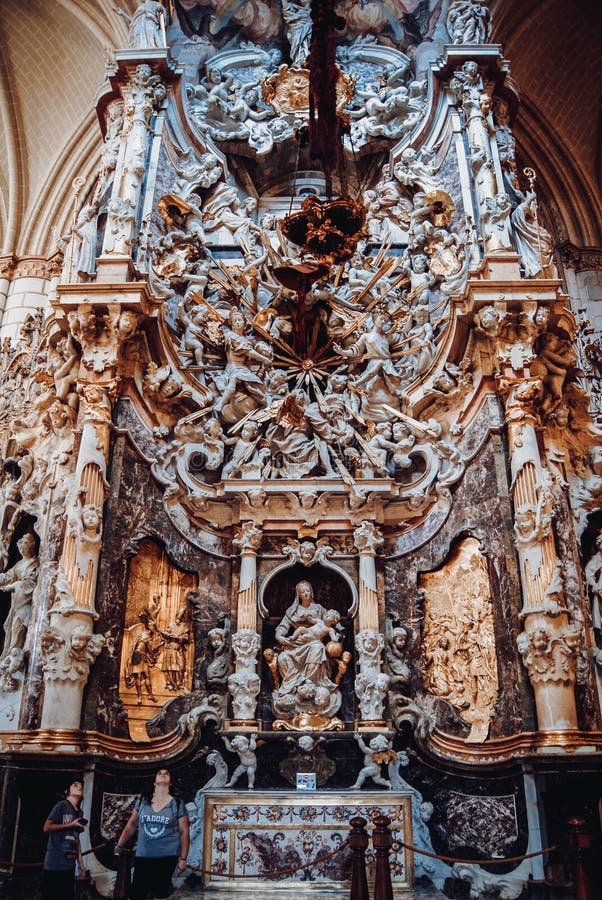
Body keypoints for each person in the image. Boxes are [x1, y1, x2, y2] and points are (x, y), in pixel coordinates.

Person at [115, 769, 189, 900]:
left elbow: (184, 832)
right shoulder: (143, 801)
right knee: (137, 894)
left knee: (160, 894)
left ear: (170, 783)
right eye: (160, 773)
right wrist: (119, 845)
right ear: (154, 782)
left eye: (166, 773)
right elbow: (131, 824)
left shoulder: (177, 804)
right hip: (144, 855)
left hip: (167, 856)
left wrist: (183, 858)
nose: (163, 774)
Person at [42, 780, 86, 900]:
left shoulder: (79, 813)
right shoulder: (61, 805)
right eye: (75, 785)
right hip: (54, 864)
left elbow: (77, 840)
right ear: (68, 791)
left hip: (69, 865)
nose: (79, 787)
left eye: (81, 786)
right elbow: (46, 827)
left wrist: (81, 864)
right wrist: (70, 825)